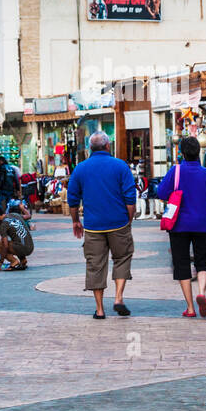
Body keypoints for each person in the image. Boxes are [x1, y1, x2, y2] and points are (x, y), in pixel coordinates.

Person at [67, 131, 137, 319]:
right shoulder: (120, 166)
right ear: (108, 146)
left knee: (95, 265)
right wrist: (128, 220)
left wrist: (75, 221)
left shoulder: (80, 168)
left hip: (93, 226)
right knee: (122, 258)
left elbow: (72, 199)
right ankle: (118, 297)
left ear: (90, 148)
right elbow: (130, 198)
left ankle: (99, 310)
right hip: (118, 223)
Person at [157, 136, 206, 317]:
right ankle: (201, 292)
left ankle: (190, 308)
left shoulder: (175, 171)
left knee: (182, 264)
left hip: (179, 225)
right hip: (204, 224)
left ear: (182, 153)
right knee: (203, 262)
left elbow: (161, 192)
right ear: (199, 152)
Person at [0, 203, 33, 270]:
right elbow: (29, 216)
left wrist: (1, 261)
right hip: (30, 247)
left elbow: (5, 245)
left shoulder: (3, 225)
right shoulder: (15, 215)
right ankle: (23, 260)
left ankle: (14, 261)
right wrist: (22, 208)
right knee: (16, 239)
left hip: (22, 248)